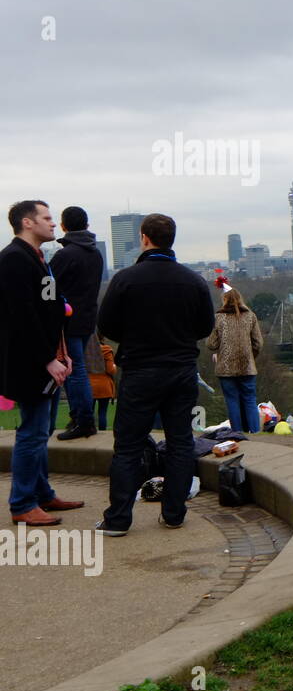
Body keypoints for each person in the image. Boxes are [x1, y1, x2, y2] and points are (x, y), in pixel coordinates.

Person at [96, 214, 215, 535]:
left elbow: (106, 325)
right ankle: (174, 514)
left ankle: (118, 519)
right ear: (171, 239)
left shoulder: (125, 279)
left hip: (140, 370)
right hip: (180, 370)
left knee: (128, 446)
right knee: (179, 443)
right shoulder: (193, 281)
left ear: (144, 238)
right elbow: (205, 327)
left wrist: (135, 336)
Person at [1, 200, 81, 525]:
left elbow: (52, 311)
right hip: (28, 363)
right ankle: (22, 503)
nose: (53, 223)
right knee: (32, 432)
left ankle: (43, 494)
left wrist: (63, 352)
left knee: (42, 429)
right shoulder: (13, 261)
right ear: (27, 223)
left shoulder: (39, 259)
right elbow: (23, 318)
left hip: (46, 359)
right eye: (46, 218)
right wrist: (49, 358)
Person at [48, 206, 105, 440]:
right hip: (88, 319)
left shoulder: (65, 255)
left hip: (69, 322)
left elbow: (48, 290)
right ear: (87, 225)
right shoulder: (95, 253)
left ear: (63, 226)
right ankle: (79, 418)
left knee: (75, 371)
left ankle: (83, 421)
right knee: (77, 369)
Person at [207, 286, 264, 433]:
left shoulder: (218, 318)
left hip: (226, 368)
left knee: (232, 401)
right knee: (250, 400)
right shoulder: (250, 316)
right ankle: (255, 433)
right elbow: (258, 343)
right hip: (247, 366)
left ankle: (237, 434)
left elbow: (211, 344)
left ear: (224, 300)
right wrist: (251, 356)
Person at [87, 336, 117, 432]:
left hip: (89, 385)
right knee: (102, 412)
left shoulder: (85, 349)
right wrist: (115, 366)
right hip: (104, 385)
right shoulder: (106, 349)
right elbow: (110, 370)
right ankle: (102, 434)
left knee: (89, 413)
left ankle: (89, 430)